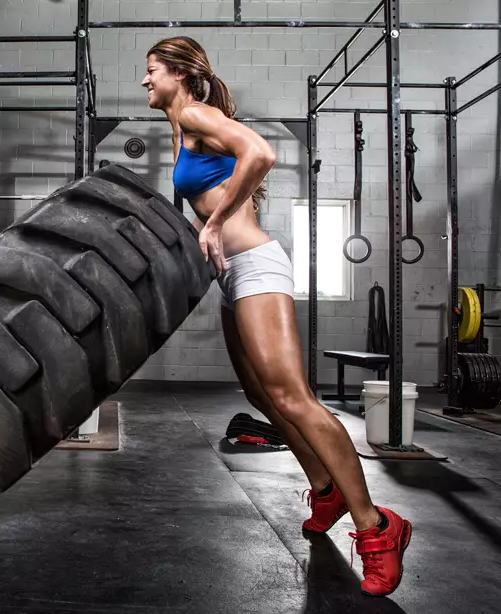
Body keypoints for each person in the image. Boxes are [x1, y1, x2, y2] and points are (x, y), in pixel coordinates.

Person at [141, 36, 413, 597]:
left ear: (180, 74)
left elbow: (261, 154)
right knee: (262, 398)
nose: (145, 81)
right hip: (234, 276)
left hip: (257, 268)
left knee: (292, 398)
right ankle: (325, 487)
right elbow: (221, 185)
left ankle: (378, 526)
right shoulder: (182, 124)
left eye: (151, 71)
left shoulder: (195, 112)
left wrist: (213, 225)